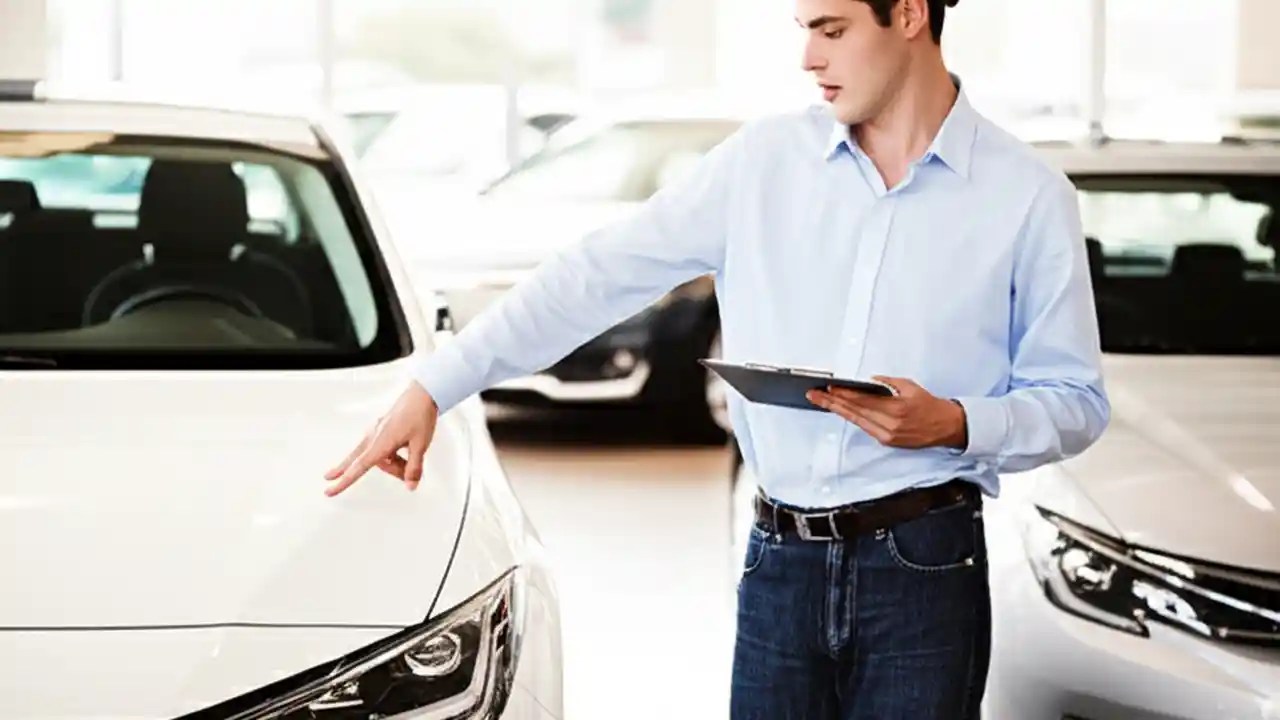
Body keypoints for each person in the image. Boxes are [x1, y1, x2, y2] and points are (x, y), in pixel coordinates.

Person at [324, 0, 1111, 717]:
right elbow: (595, 276)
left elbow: (1076, 401)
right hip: (779, 564)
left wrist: (953, 422)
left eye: (831, 30)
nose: (808, 57)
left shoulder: (1027, 197)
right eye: (802, 30)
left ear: (909, 15)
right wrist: (439, 383)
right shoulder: (763, 163)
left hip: (925, 569)